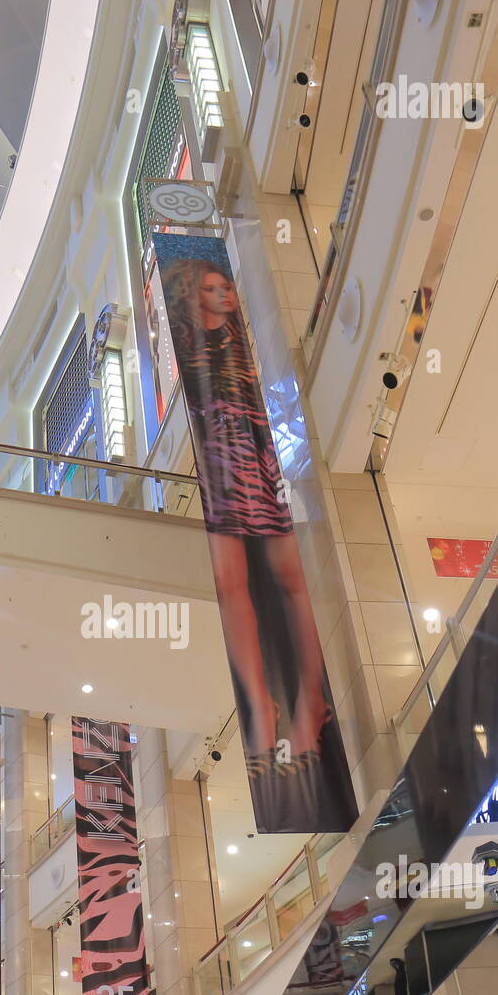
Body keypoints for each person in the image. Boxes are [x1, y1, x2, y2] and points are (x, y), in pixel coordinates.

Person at [161, 257, 332, 777]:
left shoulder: (242, 343)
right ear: (193, 296)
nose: (224, 295)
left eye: (227, 287)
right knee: (231, 582)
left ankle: (310, 699)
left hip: (258, 454)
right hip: (218, 462)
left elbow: (268, 401)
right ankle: (259, 704)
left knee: (290, 577)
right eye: (212, 289)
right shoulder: (189, 347)